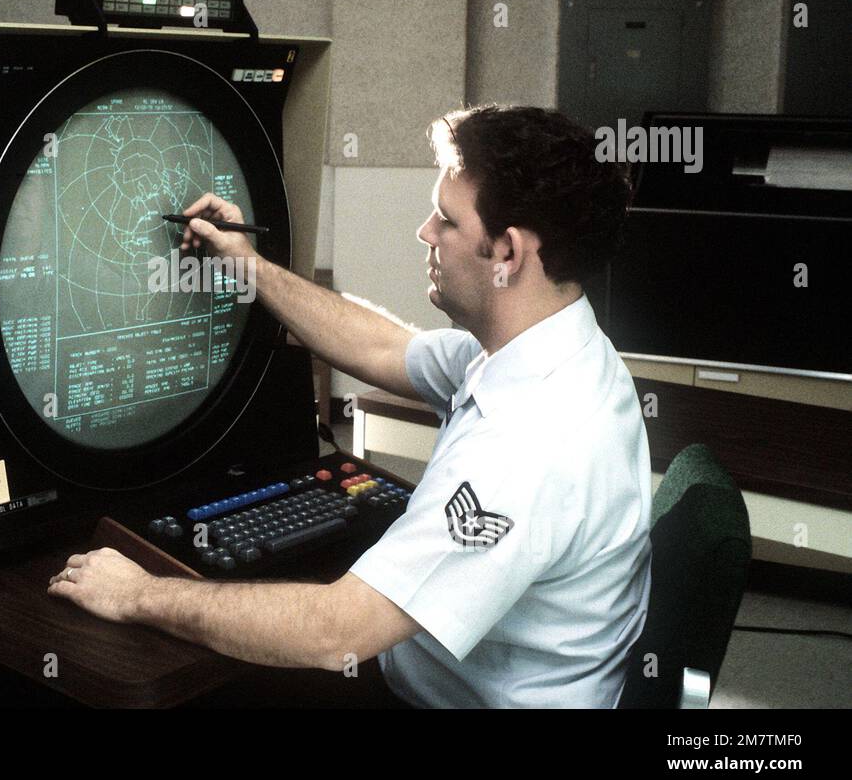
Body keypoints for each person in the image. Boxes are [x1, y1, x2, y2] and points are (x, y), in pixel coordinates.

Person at [48, 104, 652, 708]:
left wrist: (137, 594)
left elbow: (336, 631)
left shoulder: (527, 444)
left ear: (509, 254)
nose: (425, 233)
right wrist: (251, 267)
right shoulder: (558, 347)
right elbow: (382, 346)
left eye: (446, 220)